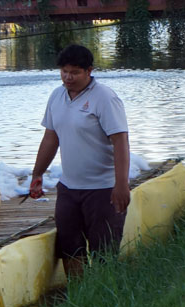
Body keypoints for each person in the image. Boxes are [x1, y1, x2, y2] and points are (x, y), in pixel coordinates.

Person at [29, 44, 131, 277]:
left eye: (74, 72)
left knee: (103, 250)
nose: (68, 77)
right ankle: (77, 295)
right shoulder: (56, 96)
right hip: (69, 188)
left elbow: (120, 142)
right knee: (70, 247)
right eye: (64, 71)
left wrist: (121, 184)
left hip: (102, 189)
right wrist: (37, 174)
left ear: (89, 71)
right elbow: (50, 138)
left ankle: (105, 295)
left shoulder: (104, 98)